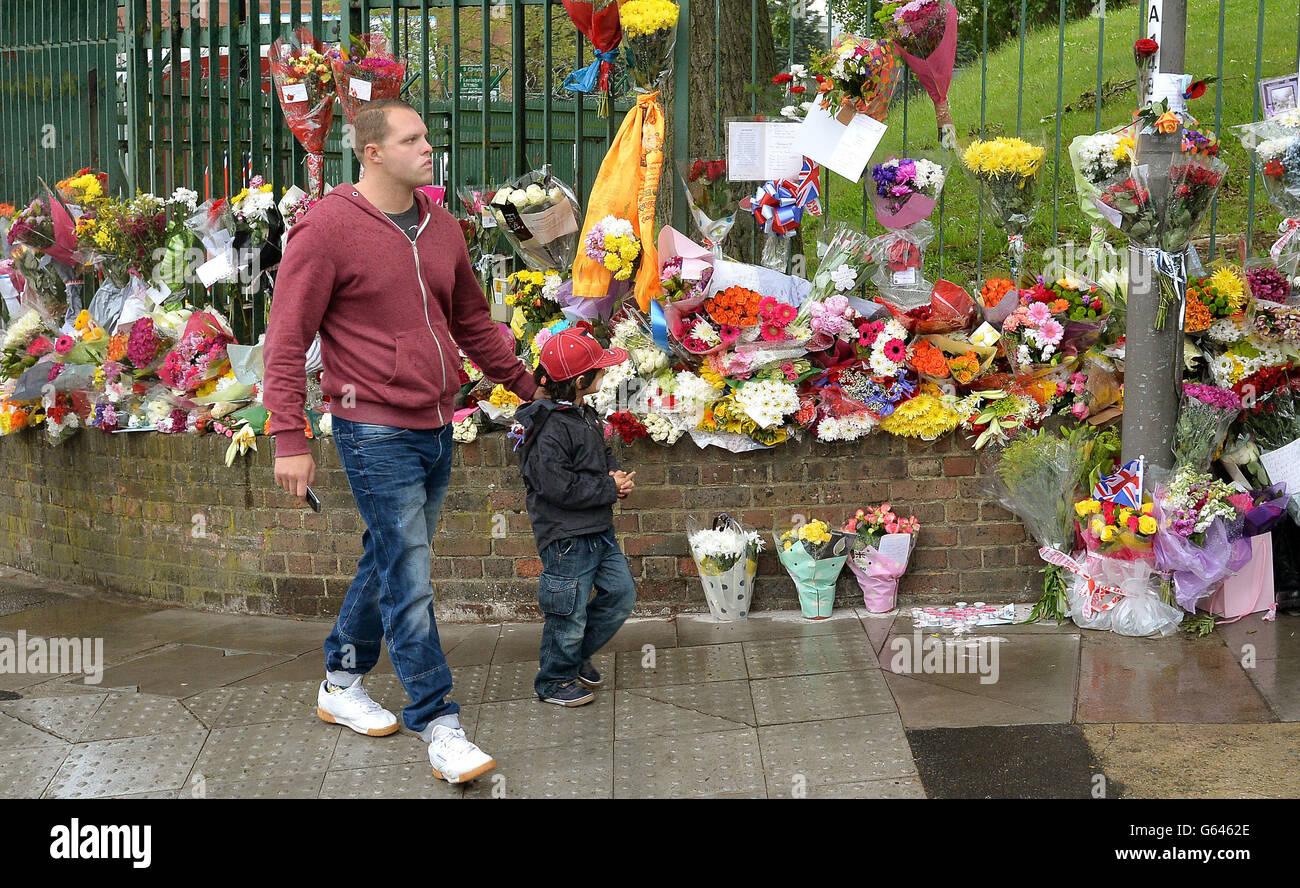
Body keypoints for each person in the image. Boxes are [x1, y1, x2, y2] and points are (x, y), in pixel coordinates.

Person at [263, 98, 539, 784]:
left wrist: (534, 390)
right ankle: (440, 724)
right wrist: (286, 437)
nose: (428, 148)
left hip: (436, 421)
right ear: (372, 151)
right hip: (371, 424)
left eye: (427, 137)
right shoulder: (324, 230)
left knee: (388, 556)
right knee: (410, 575)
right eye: (412, 138)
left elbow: (474, 324)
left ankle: (339, 682)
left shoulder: (442, 228)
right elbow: (287, 339)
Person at [512, 328, 638, 707]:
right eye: (599, 371)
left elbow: (600, 455)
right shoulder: (548, 427)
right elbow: (557, 487)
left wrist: (614, 476)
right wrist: (608, 489)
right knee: (567, 613)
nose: (604, 375)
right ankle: (554, 680)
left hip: (598, 529)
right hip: (567, 539)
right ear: (581, 381)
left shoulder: (580, 413)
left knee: (620, 594)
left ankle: (573, 658)